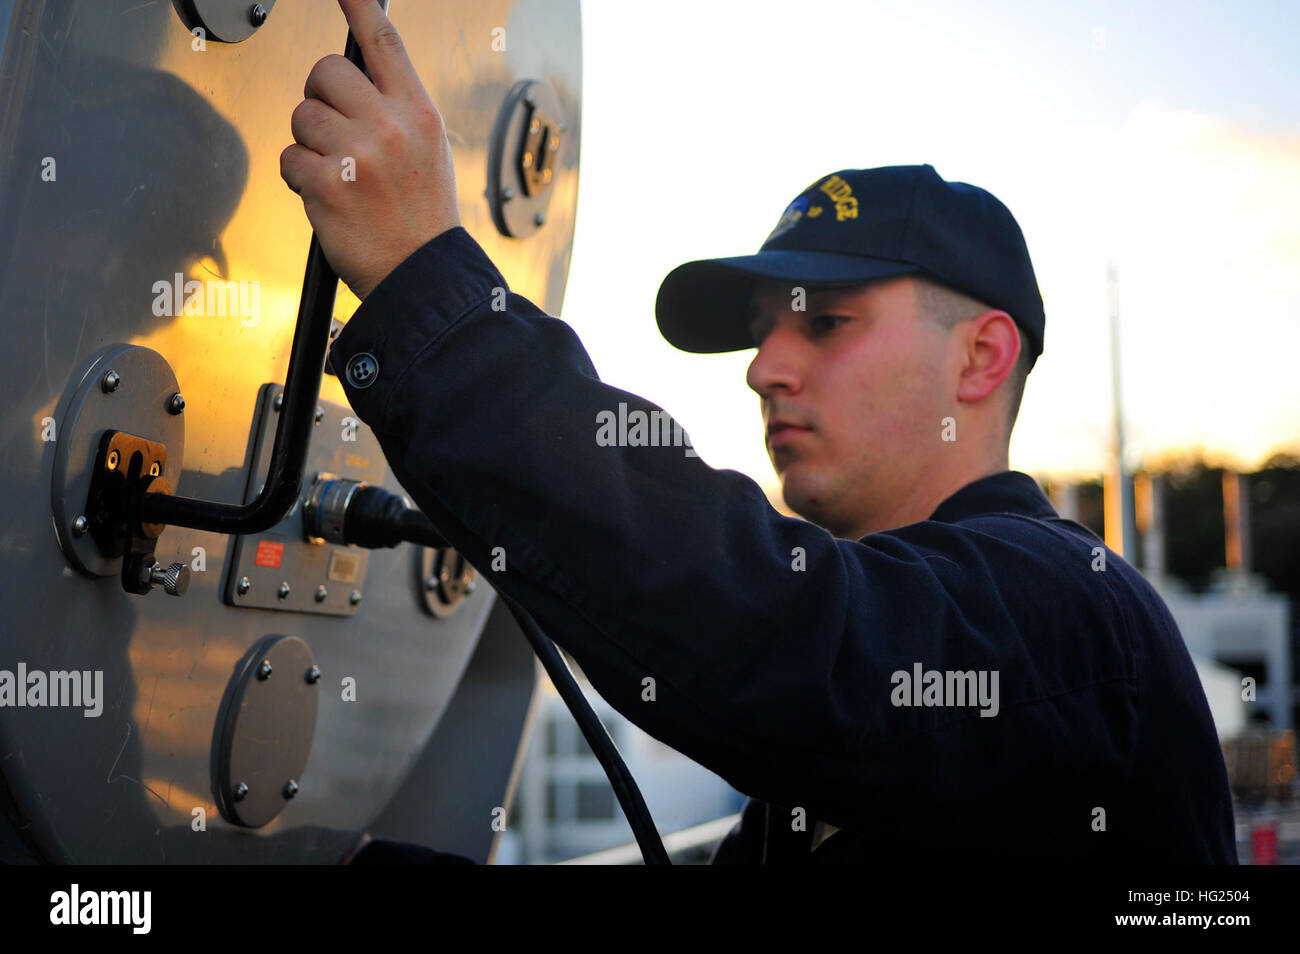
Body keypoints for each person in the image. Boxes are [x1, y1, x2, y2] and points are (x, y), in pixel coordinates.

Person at [283, 0, 1237, 864]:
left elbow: (774, 632)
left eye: (824, 322)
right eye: (758, 334)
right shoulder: (861, 719)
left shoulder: (1073, 617)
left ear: (981, 360)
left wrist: (428, 290)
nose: (762, 369)